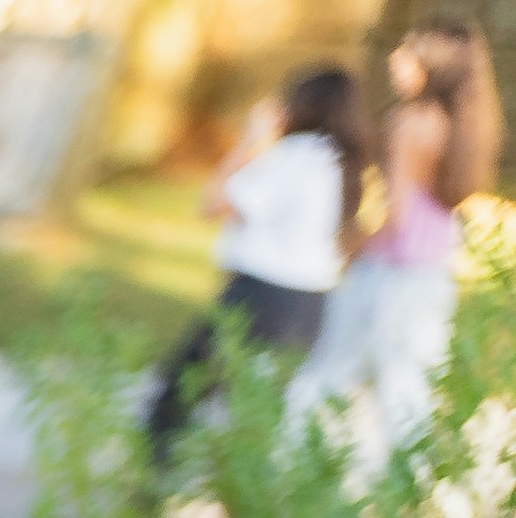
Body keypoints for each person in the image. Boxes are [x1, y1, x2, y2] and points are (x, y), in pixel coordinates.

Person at [153, 63, 370, 450]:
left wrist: (249, 141)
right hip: (310, 307)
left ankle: (147, 496)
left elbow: (214, 204)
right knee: (255, 417)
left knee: (179, 395)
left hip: (261, 300)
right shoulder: (341, 164)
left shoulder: (296, 155)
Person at [305, 26, 492, 460]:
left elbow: (397, 219)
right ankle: (404, 495)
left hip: (390, 277)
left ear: (430, 65)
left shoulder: (408, 121)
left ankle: (289, 480)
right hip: (433, 277)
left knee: (329, 377)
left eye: (405, 52)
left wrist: (351, 245)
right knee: (406, 396)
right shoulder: (459, 127)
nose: (394, 59)